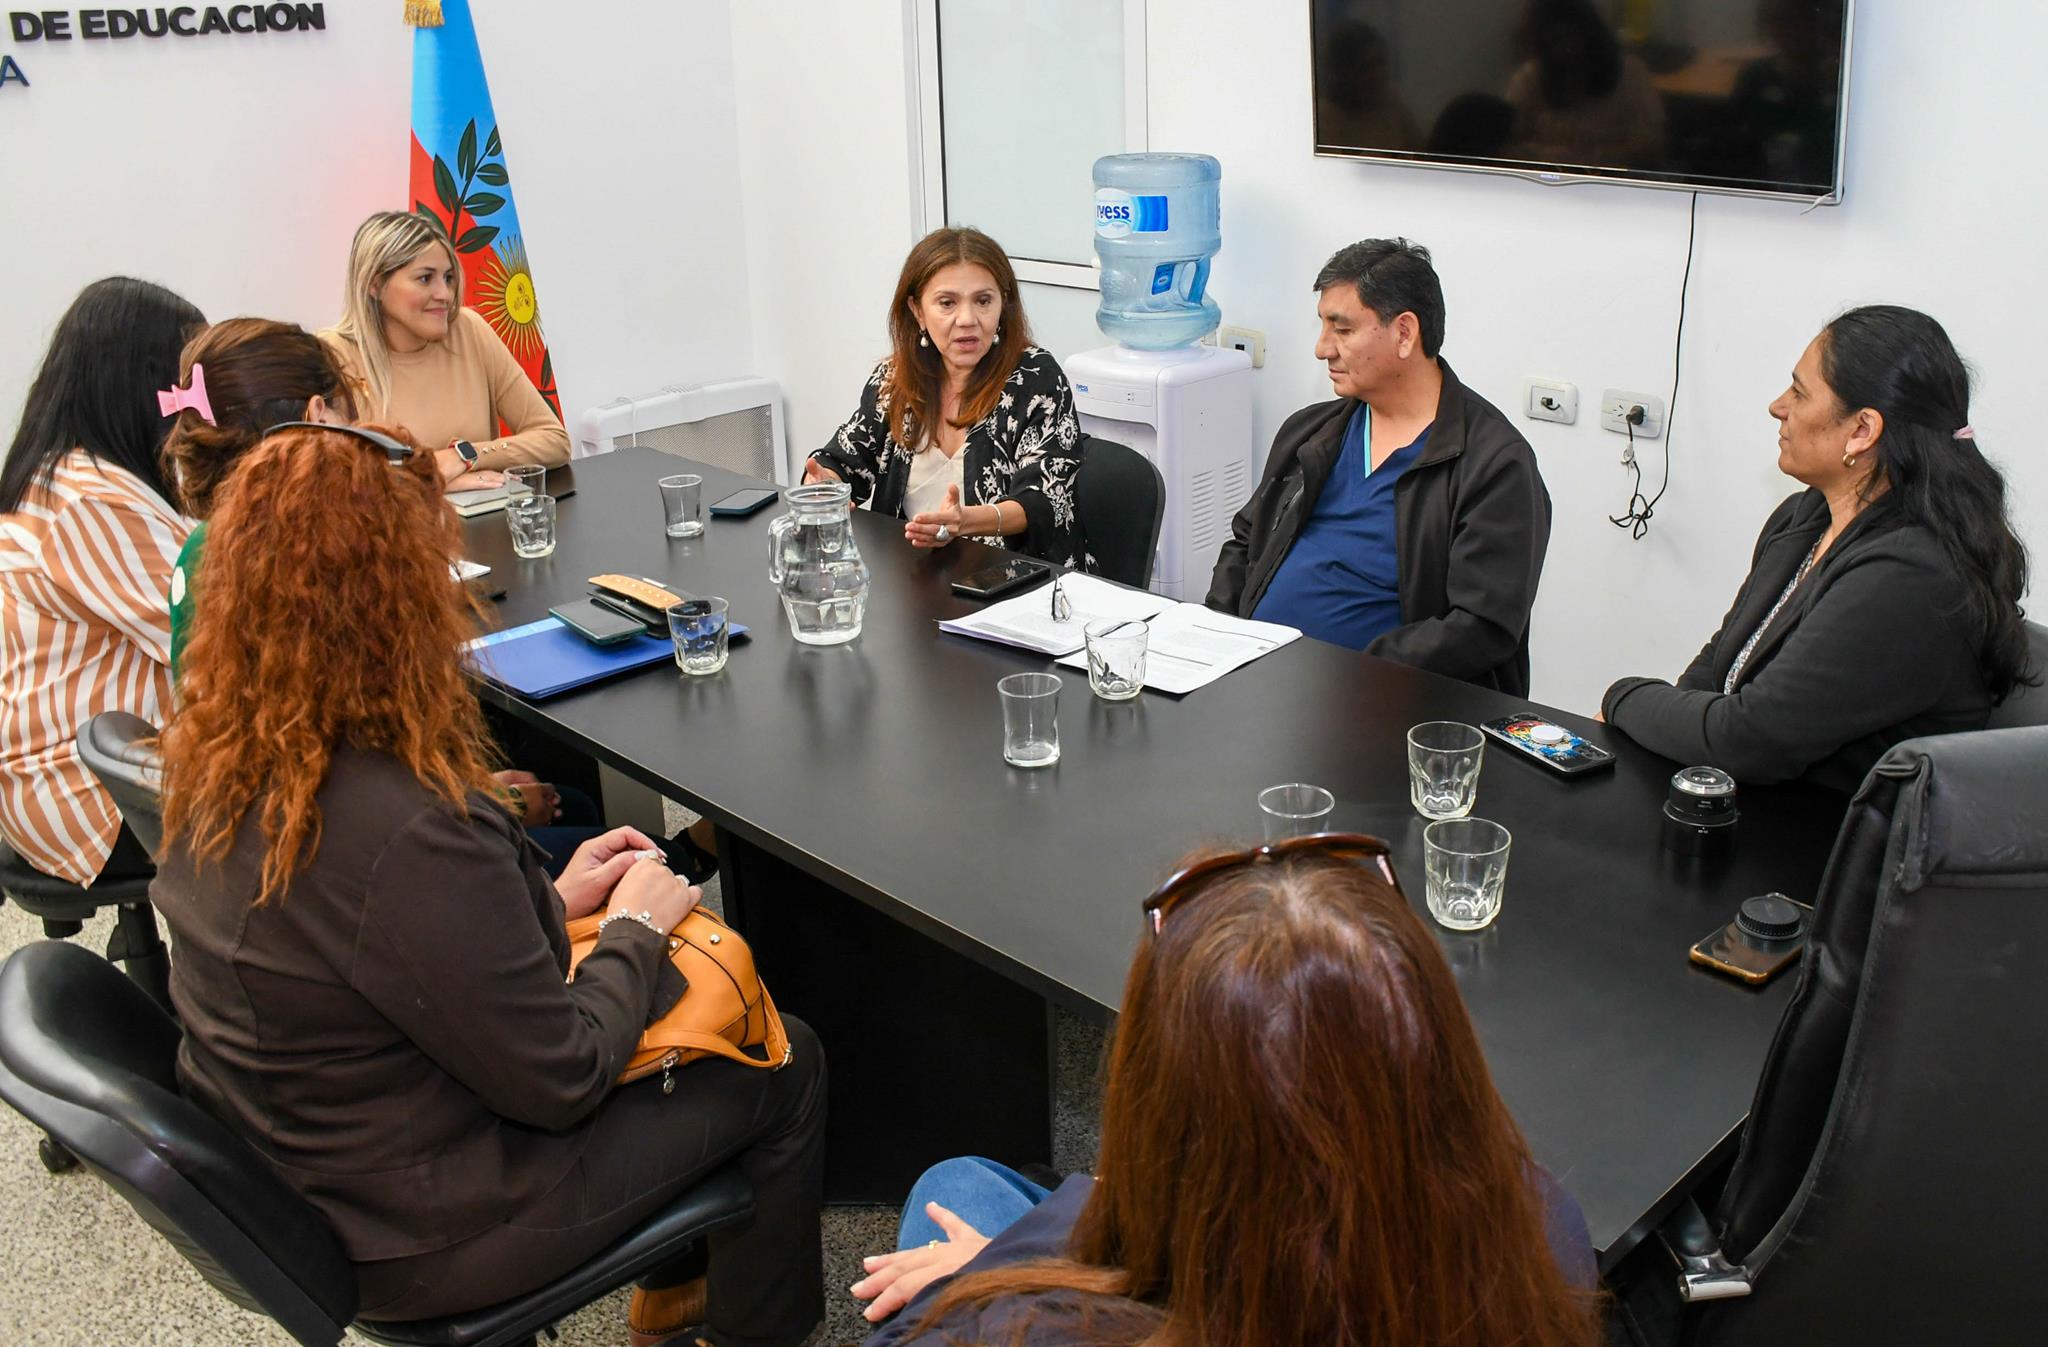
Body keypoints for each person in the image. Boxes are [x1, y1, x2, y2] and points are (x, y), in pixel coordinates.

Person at [152, 423, 826, 1346]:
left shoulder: (224, 761)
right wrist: (631, 925)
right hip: (426, 1230)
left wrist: (551, 900)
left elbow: (379, 953)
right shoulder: (411, 822)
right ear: (392, 597)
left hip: (311, 1169)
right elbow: (564, 1077)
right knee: (786, 1056)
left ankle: (676, 1291)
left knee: (665, 996)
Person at [850, 836, 1601, 1346]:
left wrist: (992, 1276)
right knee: (968, 1183)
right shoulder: (1540, 1226)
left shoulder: (1017, 1328)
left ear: (1161, 1118)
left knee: (948, 1191)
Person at [157, 318, 605, 868]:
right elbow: (370, 781)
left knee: (567, 800)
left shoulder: (202, 545)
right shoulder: (322, 558)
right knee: (585, 822)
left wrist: (477, 791)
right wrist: (492, 802)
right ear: (320, 417)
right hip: (349, 863)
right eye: (353, 412)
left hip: (254, 840)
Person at [1602, 306, 2032, 791]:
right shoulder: (1805, 517)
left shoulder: (1912, 573)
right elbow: (1720, 662)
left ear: (1863, 430)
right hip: (1748, 811)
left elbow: (1749, 740)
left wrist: (1623, 697)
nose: (1777, 406)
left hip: (1827, 847)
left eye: (1800, 393)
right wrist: (1678, 735)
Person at [1207, 238, 1552, 695]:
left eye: (1343, 330)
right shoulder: (1311, 433)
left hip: (1385, 704)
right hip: (1257, 680)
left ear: (1405, 333)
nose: (1322, 348)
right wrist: (1213, 637)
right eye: (1323, 327)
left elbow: (1481, 628)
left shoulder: (1494, 464)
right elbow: (1246, 541)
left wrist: (1347, 674)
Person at [0, 277, 205, 887]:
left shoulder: (68, 472)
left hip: (70, 769)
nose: (193, 400)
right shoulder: (92, 502)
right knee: (338, 810)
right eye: (185, 378)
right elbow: (216, 631)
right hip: (94, 794)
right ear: (143, 382)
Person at [805, 227, 1086, 569]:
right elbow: (843, 460)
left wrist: (965, 521)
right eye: (947, 303)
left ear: (1003, 305)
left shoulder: (1037, 378)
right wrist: (823, 486)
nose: (967, 319)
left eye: (983, 301)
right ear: (918, 311)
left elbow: (1043, 501)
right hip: (915, 580)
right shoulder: (895, 381)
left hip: (1019, 584)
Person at [320, 210, 568, 488]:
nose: (445, 294)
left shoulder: (470, 330)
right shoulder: (332, 355)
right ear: (375, 284)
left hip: (482, 526)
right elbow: (330, 484)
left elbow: (554, 441)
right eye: (425, 278)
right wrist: (434, 481)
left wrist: (464, 456)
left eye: (449, 278)